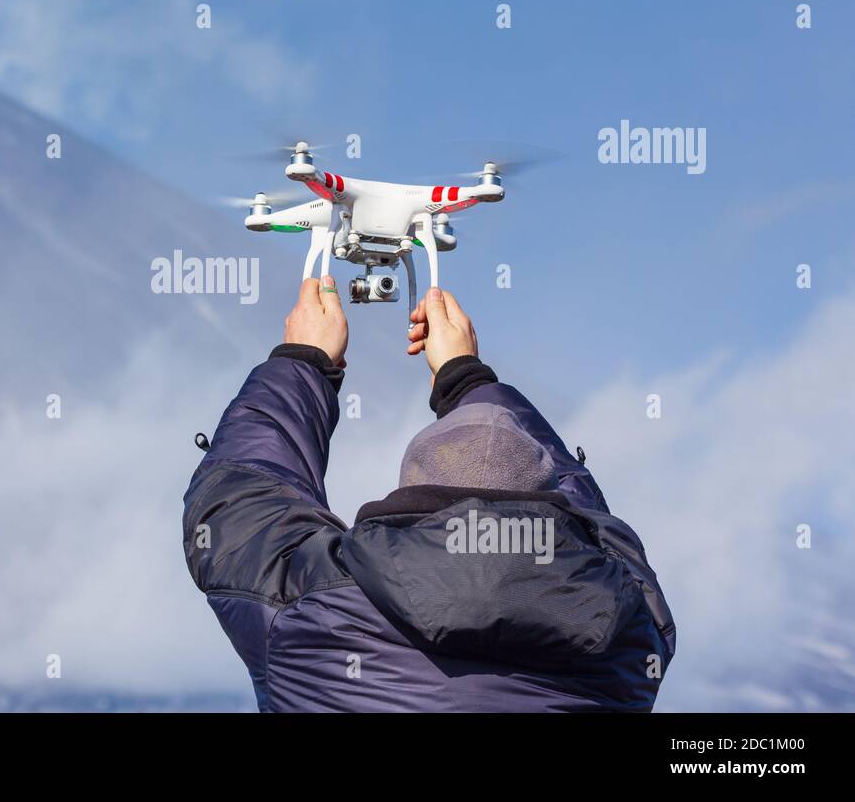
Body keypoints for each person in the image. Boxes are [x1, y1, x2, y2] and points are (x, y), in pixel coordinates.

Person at [183, 276, 675, 711]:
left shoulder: (308, 612)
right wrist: (468, 379)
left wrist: (304, 362)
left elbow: (240, 497)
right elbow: (599, 526)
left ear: (413, 503)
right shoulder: (627, 634)